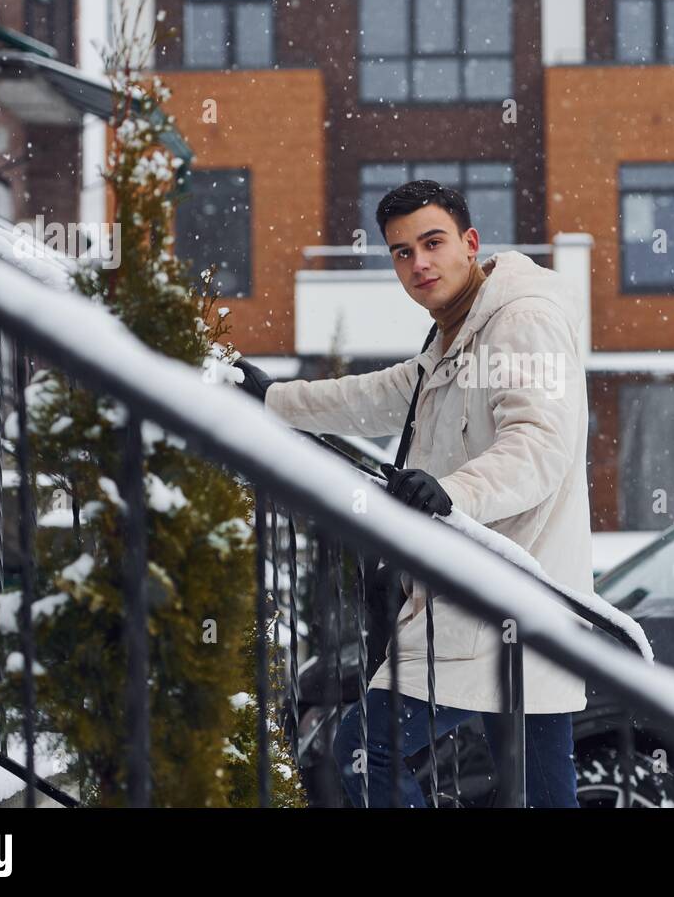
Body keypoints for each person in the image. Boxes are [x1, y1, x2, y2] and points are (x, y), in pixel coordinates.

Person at [234, 179, 591, 807]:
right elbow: (376, 394)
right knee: (539, 795)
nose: (419, 264)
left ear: (470, 243)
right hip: (495, 606)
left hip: (496, 597)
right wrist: (273, 400)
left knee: (367, 751)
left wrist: (450, 494)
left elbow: (539, 445)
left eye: (432, 242)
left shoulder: (521, 321)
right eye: (401, 252)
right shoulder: (456, 334)